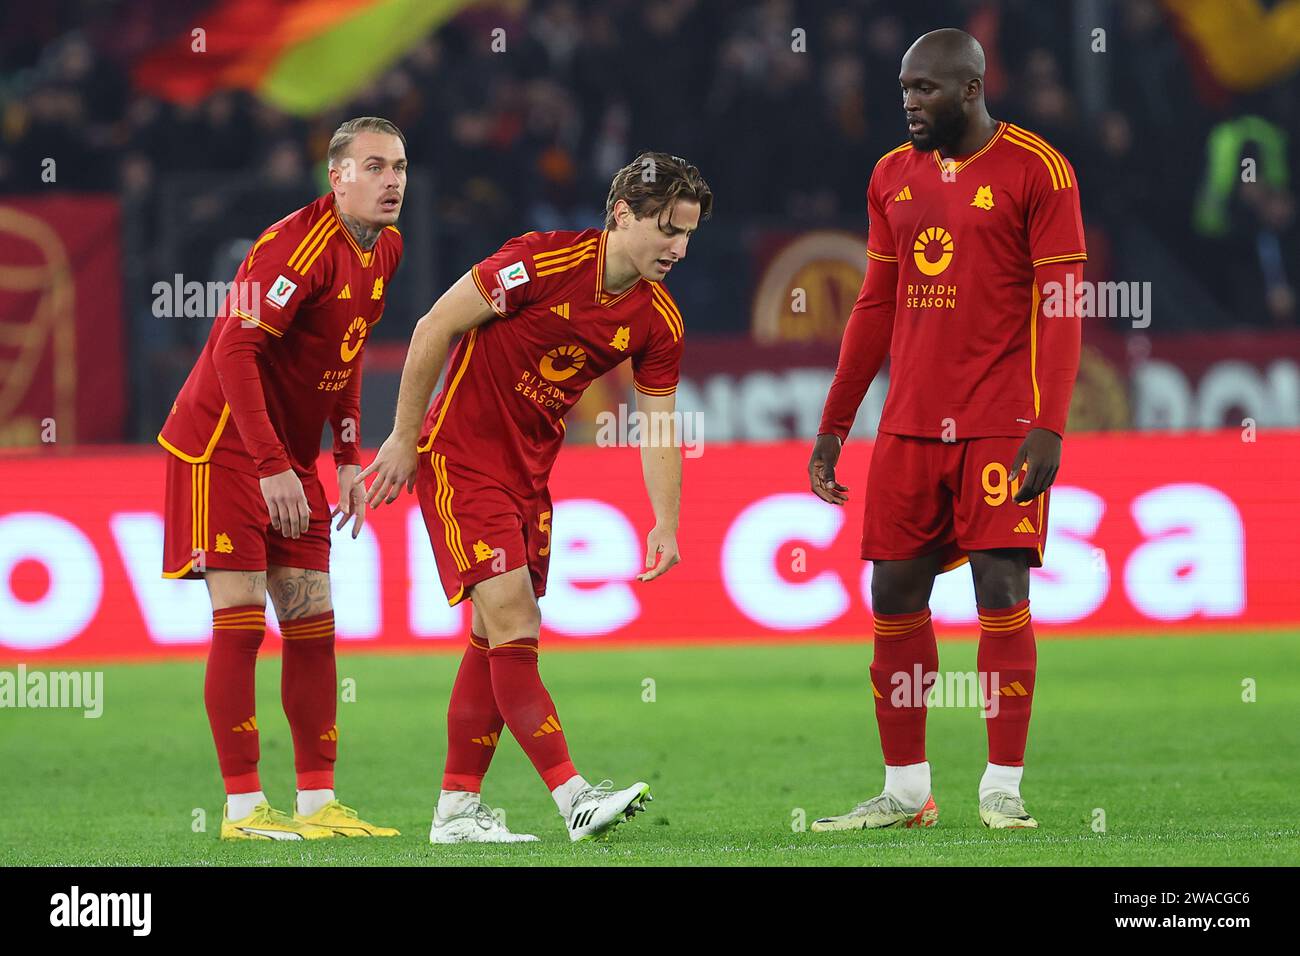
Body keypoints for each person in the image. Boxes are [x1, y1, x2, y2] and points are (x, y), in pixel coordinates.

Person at [361, 152, 712, 843]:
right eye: (667, 229)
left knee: (493, 640)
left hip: (529, 478)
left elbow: (659, 423)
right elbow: (435, 325)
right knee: (517, 623)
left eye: (689, 234)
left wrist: (665, 521)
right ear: (622, 215)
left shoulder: (656, 321)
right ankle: (574, 797)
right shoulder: (539, 263)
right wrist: (403, 437)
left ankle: (457, 811)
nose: (678, 247)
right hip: (460, 458)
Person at [808, 30, 1086, 831]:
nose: (909, 103)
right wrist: (835, 423)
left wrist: (1049, 424)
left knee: (1001, 586)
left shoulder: (1039, 169)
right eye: (904, 89)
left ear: (971, 89)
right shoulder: (891, 177)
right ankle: (904, 791)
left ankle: (1001, 786)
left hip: (1002, 421)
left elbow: (1060, 310)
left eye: (925, 89)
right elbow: (873, 307)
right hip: (909, 425)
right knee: (892, 592)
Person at [158, 117, 407, 839]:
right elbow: (237, 349)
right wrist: (270, 466)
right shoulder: (296, 247)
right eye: (373, 166)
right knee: (240, 627)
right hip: (221, 445)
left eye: (398, 166)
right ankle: (242, 811)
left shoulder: (385, 248)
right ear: (338, 177)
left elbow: (349, 352)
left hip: (290, 454)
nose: (391, 180)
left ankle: (316, 804)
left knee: (313, 627)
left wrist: (349, 455)